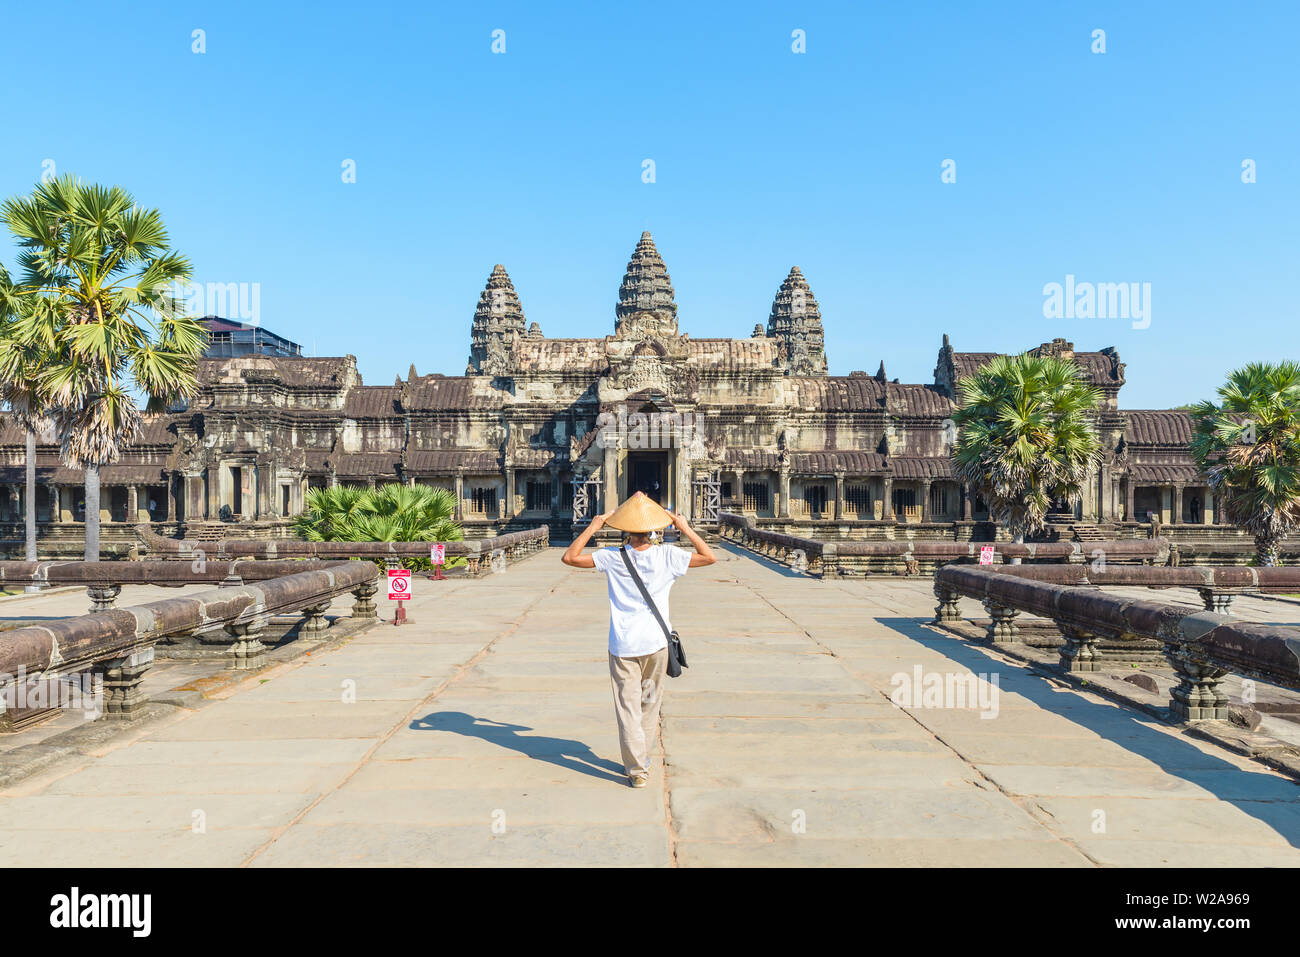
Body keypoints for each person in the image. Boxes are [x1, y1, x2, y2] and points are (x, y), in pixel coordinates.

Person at [562, 491, 716, 788]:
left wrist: (593, 526)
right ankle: (640, 761)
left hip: (623, 646)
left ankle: (637, 770)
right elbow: (710, 557)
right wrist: (684, 527)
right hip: (656, 645)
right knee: (649, 704)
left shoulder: (611, 557)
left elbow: (569, 557)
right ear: (654, 530)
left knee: (627, 708)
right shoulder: (668, 555)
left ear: (625, 531)